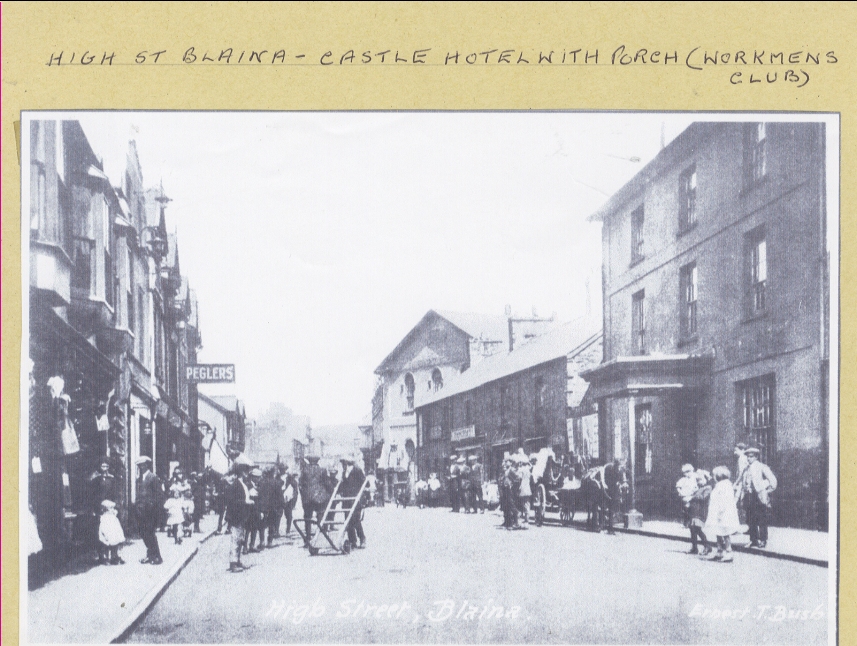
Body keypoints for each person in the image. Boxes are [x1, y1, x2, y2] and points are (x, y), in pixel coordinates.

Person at [738, 447, 778, 548]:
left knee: (762, 519)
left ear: (756, 457)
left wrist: (765, 490)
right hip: (749, 496)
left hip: (759, 497)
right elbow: (742, 483)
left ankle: (763, 540)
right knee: (751, 519)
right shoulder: (746, 469)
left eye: (751, 457)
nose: (748, 459)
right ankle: (753, 540)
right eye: (747, 457)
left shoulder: (762, 467)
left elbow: (773, 481)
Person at [704, 466, 741, 562]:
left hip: (722, 513)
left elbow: (724, 500)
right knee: (718, 532)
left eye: (714, 475)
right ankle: (719, 551)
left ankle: (729, 552)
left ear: (719, 476)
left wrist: (720, 512)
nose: (713, 476)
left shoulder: (724, 486)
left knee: (725, 533)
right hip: (717, 513)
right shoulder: (720, 485)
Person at [299, 455, 332, 548]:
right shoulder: (322, 470)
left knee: (307, 518)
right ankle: (320, 537)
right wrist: (331, 492)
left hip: (307, 499)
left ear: (309, 461)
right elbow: (327, 483)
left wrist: (304, 495)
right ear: (317, 461)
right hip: (320, 497)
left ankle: (307, 539)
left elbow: (300, 484)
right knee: (320, 516)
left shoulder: (304, 470)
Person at [135, 456, 163, 565]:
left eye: (143, 465)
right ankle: (150, 554)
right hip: (140, 511)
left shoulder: (153, 477)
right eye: (139, 466)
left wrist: (153, 506)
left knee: (150, 533)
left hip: (150, 511)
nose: (141, 467)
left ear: (147, 465)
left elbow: (159, 495)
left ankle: (157, 556)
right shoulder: (139, 479)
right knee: (143, 533)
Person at [225, 466, 252, 572]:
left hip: (241, 515)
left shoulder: (242, 484)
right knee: (235, 539)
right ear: (241, 473)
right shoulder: (236, 485)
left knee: (240, 539)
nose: (247, 473)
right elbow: (232, 501)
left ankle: (237, 561)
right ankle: (233, 564)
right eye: (245, 471)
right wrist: (246, 502)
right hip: (236, 516)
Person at [340, 456, 366, 549]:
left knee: (356, 520)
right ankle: (352, 541)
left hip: (356, 499)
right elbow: (343, 485)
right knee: (348, 521)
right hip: (346, 499)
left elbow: (364, 482)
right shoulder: (344, 472)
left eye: (344, 462)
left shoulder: (357, 470)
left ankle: (362, 538)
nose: (343, 464)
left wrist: (360, 495)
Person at [687, 470, 712, 555]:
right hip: (694, 511)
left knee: (697, 529)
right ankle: (694, 547)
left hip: (700, 511)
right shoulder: (698, 489)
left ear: (705, 479)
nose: (698, 482)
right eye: (697, 480)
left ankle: (707, 546)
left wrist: (693, 495)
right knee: (692, 529)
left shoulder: (708, 488)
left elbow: (703, 498)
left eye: (700, 480)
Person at [97, 500, 125, 565]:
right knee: (107, 546)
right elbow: (103, 527)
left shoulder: (113, 517)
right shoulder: (104, 518)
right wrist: (105, 534)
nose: (113, 509)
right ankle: (106, 558)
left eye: (113, 508)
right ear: (106, 509)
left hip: (114, 534)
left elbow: (117, 526)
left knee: (115, 546)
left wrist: (119, 534)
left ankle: (114, 557)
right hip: (108, 534)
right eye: (111, 508)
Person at [676, 463, 698, 529]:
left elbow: (698, 485)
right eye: (685, 473)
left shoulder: (695, 478)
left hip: (692, 496)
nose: (686, 474)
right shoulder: (683, 479)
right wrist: (680, 492)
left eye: (688, 472)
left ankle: (692, 523)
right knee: (685, 509)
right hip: (685, 496)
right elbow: (678, 486)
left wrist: (695, 490)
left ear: (692, 471)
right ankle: (686, 523)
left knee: (691, 509)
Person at [282, 465, 298, 535]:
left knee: (287, 516)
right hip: (287, 501)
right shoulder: (293, 482)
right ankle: (287, 530)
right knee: (288, 516)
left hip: (287, 500)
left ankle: (286, 530)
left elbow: (296, 493)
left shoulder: (291, 482)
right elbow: (296, 494)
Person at [517, 456, 533, 526]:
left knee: (521, 504)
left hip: (522, 488)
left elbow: (519, 479)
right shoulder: (529, 470)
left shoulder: (521, 470)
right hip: (527, 488)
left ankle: (521, 519)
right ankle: (527, 519)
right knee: (527, 504)